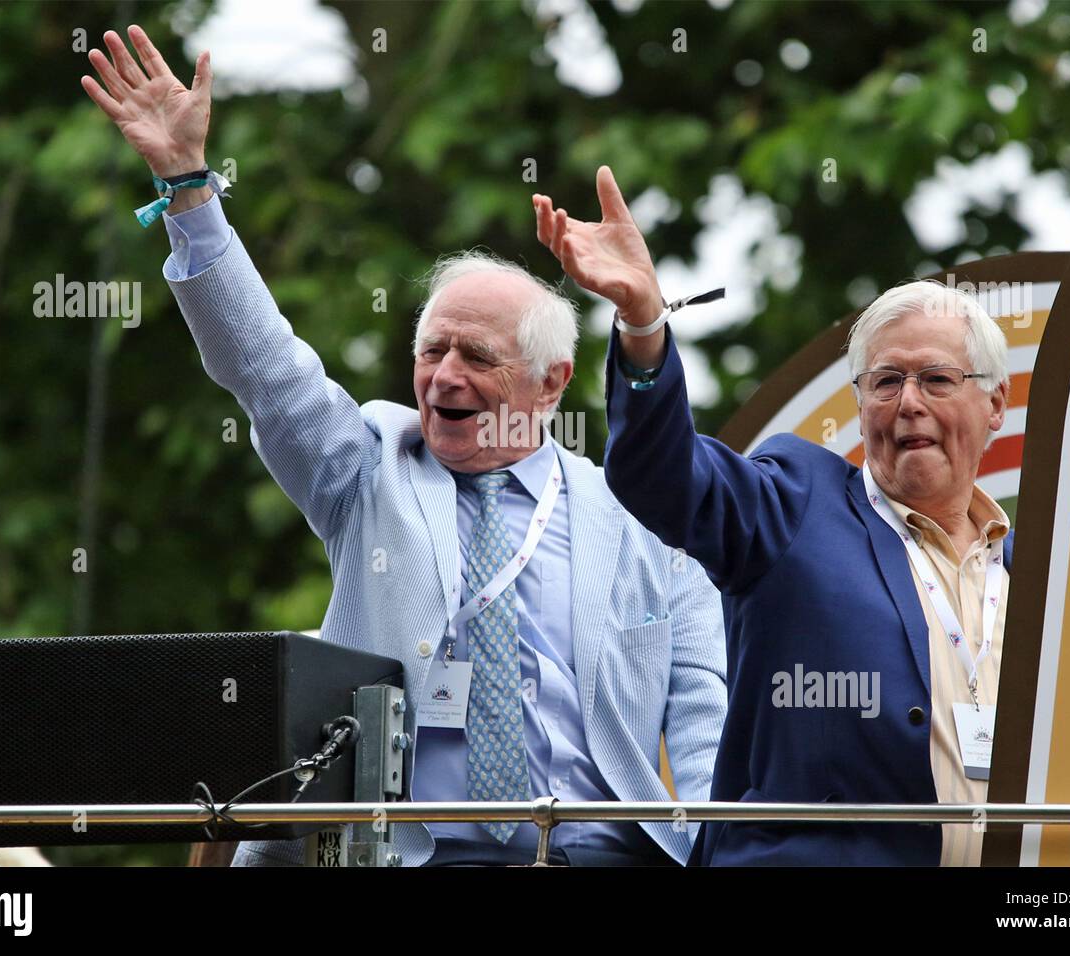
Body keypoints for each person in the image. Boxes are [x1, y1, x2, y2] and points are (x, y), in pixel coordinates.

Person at [82, 27, 726, 867]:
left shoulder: (645, 512)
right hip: (402, 857)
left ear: (552, 383)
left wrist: (723, 851)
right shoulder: (369, 464)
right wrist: (188, 189)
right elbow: (264, 366)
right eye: (431, 351)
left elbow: (706, 713)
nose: (444, 379)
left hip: (597, 854)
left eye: (478, 358)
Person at [534, 169, 1015, 866]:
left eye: (937, 379)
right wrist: (644, 322)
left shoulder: (1036, 571)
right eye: (884, 381)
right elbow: (660, 475)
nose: (908, 402)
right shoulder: (796, 503)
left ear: (994, 406)